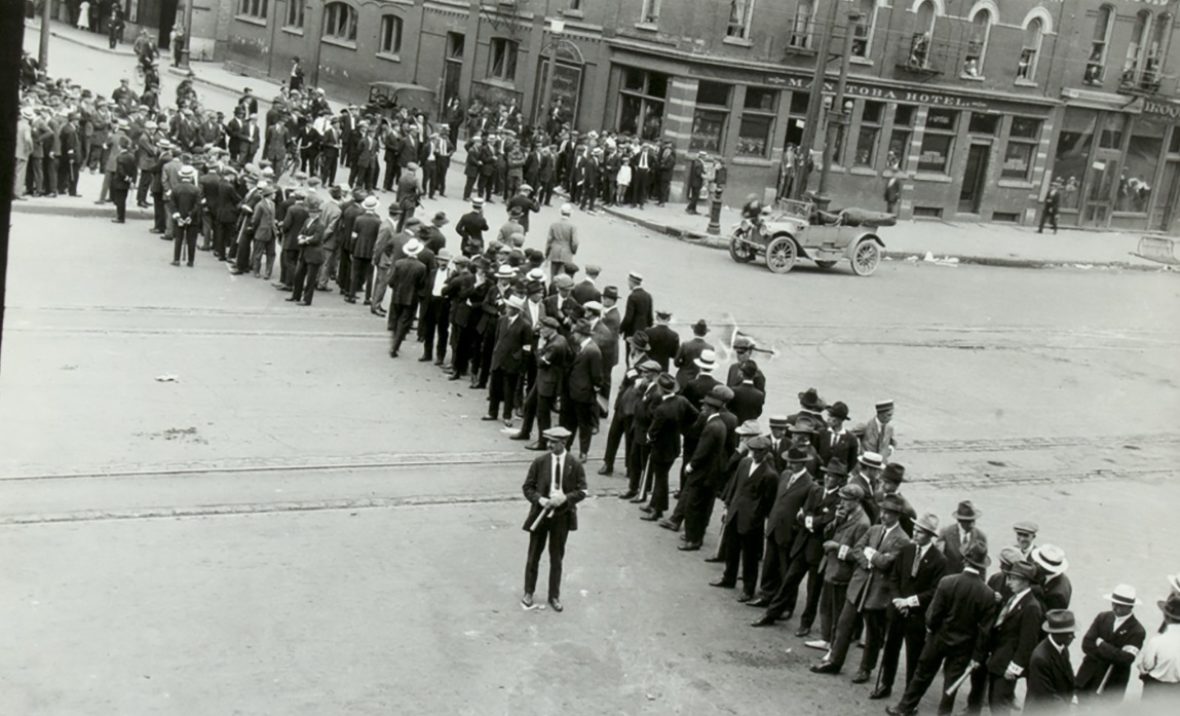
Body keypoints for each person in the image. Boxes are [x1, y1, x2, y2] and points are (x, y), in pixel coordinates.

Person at [886, 541, 997, 716]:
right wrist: (977, 655)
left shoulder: (947, 582)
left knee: (921, 675)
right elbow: (985, 630)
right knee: (950, 685)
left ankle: (904, 708)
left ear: (964, 561)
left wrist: (931, 629)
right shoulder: (988, 594)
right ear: (982, 566)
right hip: (964, 646)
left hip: (938, 638)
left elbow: (933, 614)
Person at [812, 494, 913, 680]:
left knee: (873, 632)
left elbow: (886, 563)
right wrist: (869, 560)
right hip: (858, 585)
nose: (883, 515)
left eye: (888, 513)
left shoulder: (903, 539)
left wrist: (871, 555)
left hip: (878, 591)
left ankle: (865, 668)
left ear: (897, 515)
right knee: (844, 624)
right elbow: (857, 549)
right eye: (882, 511)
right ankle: (834, 661)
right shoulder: (874, 529)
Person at [874, 513, 947, 701]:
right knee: (891, 649)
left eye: (920, 532)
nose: (915, 534)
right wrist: (898, 600)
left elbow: (935, 591)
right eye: (914, 530)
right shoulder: (906, 550)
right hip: (897, 610)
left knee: (914, 655)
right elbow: (894, 578)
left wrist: (909, 602)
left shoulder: (939, 560)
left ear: (930, 535)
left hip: (918, 616)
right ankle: (886, 684)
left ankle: (909, 693)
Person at [521, 426, 588, 613]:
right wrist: (540, 499)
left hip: (562, 517)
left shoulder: (574, 464)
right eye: (548, 441)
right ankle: (528, 592)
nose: (549, 445)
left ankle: (554, 596)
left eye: (553, 442)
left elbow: (583, 490)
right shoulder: (540, 462)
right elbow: (527, 487)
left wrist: (565, 498)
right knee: (533, 555)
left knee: (557, 558)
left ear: (563, 443)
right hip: (540, 515)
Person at [711, 435, 778, 601]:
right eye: (753, 450)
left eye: (759, 452)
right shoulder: (744, 463)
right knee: (731, 549)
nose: (755, 454)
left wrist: (757, 517)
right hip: (735, 512)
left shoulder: (770, 475)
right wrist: (727, 506)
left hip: (752, 520)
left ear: (766, 453)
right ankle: (728, 578)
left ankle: (748, 589)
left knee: (749, 556)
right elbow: (735, 486)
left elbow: (768, 502)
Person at [979, 561, 1044, 715]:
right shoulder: (1014, 598)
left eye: (1014, 579)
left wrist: (1015, 668)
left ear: (1026, 581)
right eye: (1009, 578)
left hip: (1007, 665)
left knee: (999, 705)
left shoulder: (1031, 607)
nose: (1009, 583)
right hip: (998, 659)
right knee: (994, 701)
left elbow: (1028, 642)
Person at [1075, 584, 1145, 704]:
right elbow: (1086, 645)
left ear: (1130, 606)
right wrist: (1114, 654)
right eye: (1113, 603)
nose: (1115, 607)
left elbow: (1127, 659)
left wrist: (1102, 644)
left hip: (1112, 684)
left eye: (1120, 605)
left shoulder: (1137, 630)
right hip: (1088, 677)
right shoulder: (1102, 617)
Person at [1023, 610, 1077, 712]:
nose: (1074, 637)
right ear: (1057, 634)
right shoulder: (1040, 658)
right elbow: (1046, 696)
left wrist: (1074, 696)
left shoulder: (1063, 648)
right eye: (1070, 634)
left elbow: (1068, 676)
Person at [388, 239, 427, 357]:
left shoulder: (399, 263)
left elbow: (391, 281)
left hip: (397, 295)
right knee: (404, 322)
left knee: (395, 319)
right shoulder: (421, 267)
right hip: (411, 297)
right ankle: (395, 346)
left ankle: (394, 341)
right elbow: (422, 284)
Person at [1138, 593, 1180, 701]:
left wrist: (1141, 667)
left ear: (1166, 616)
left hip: (1156, 689)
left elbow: (1148, 665)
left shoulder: (1157, 641)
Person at [937, 500, 987, 575]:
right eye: (968, 521)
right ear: (959, 520)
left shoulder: (981, 536)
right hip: (949, 579)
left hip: (971, 580)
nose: (972, 525)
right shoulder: (946, 533)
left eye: (973, 520)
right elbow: (938, 560)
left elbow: (982, 566)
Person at [169, 165, 201, 267]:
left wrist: (177, 216)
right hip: (192, 219)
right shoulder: (196, 190)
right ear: (191, 177)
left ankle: (176, 259)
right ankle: (191, 261)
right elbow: (197, 205)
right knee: (192, 240)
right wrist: (190, 215)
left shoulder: (175, 189)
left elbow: (172, 204)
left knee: (178, 239)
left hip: (179, 217)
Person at [545, 204, 578, 277]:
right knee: (562, 275)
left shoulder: (554, 224)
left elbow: (549, 240)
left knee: (553, 274)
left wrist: (547, 253)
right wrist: (573, 251)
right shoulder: (572, 226)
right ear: (570, 214)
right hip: (566, 251)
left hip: (555, 250)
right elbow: (575, 242)